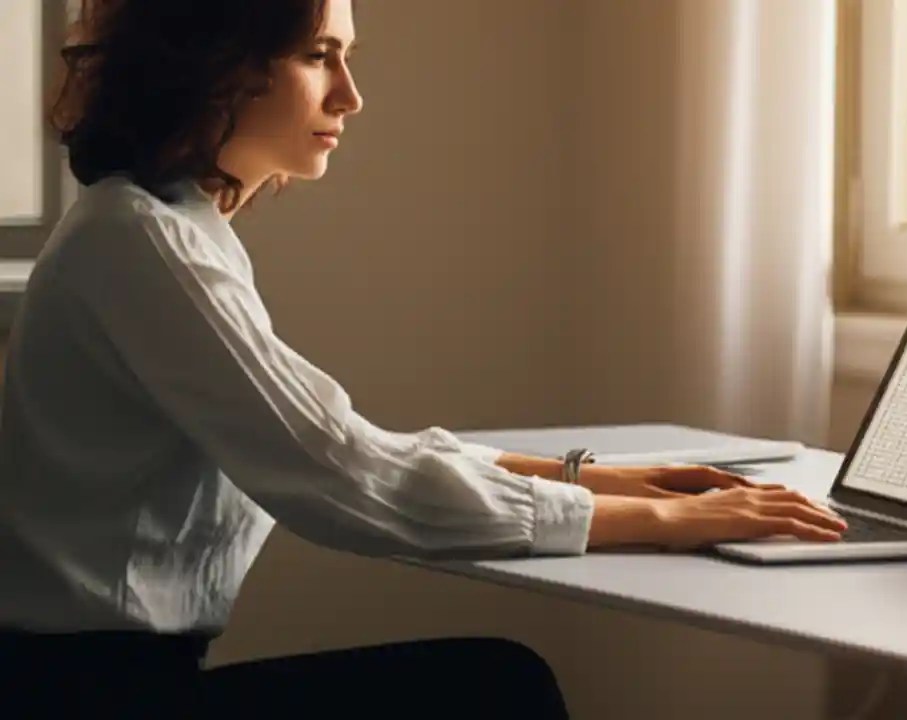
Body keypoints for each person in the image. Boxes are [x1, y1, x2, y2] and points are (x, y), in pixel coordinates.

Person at [0, 0, 848, 716]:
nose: (351, 94)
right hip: (84, 694)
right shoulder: (143, 244)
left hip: (96, 681)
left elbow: (352, 446)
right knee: (499, 688)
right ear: (219, 66)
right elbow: (341, 474)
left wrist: (605, 481)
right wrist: (664, 524)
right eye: (318, 56)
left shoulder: (164, 230)